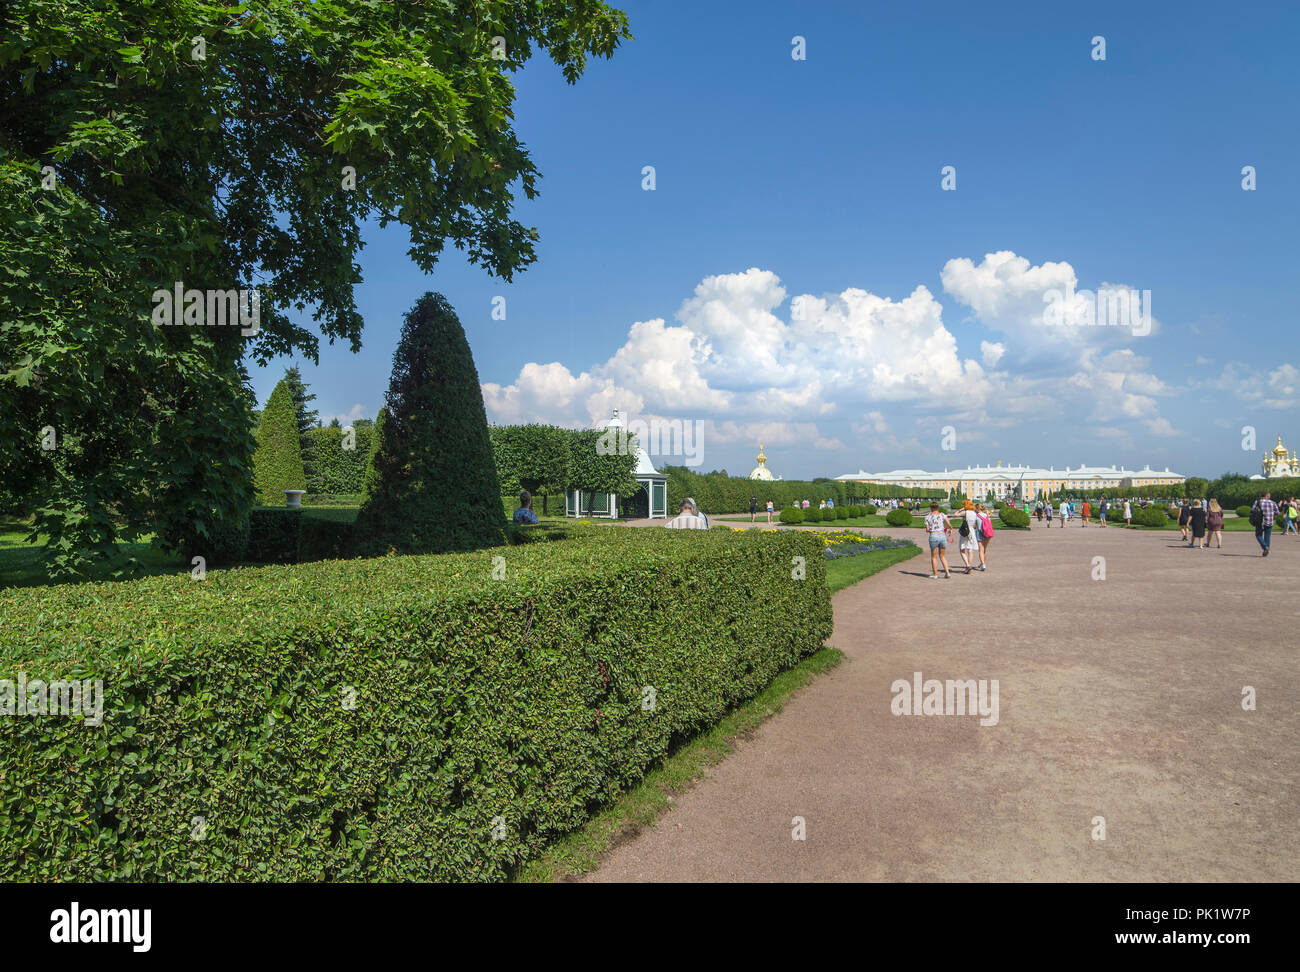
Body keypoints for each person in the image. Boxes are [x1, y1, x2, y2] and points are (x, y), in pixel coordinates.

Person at [924, 501, 952, 579]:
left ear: (931, 508)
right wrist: (950, 529)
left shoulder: (928, 517)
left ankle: (935, 574)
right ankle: (947, 572)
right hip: (942, 535)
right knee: (942, 556)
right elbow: (949, 525)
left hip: (934, 536)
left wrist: (931, 529)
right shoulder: (942, 515)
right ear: (938, 507)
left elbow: (927, 530)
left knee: (934, 556)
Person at [1251, 491, 1279, 556]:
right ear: (1267, 495)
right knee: (1267, 536)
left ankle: (1265, 547)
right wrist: (1271, 514)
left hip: (1260, 521)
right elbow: (1277, 512)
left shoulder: (1258, 502)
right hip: (1270, 521)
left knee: (1258, 535)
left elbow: (1252, 510)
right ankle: (1266, 549)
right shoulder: (1273, 502)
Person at [957, 500, 980, 574]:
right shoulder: (974, 513)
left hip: (965, 531)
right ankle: (969, 565)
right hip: (971, 531)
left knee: (962, 549)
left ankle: (967, 565)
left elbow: (956, 514)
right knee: (970, 549)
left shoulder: (965, 512)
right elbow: (974, 524)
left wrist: (960, 509)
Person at [974, 502, 992, 570]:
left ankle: (983, 564)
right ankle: (982, 563)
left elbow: (973, 525)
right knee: (984, 549)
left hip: (980, 532)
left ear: (977, 509)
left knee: (981, 549)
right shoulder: (986, 515)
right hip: (987, 533)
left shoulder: (976, 516)